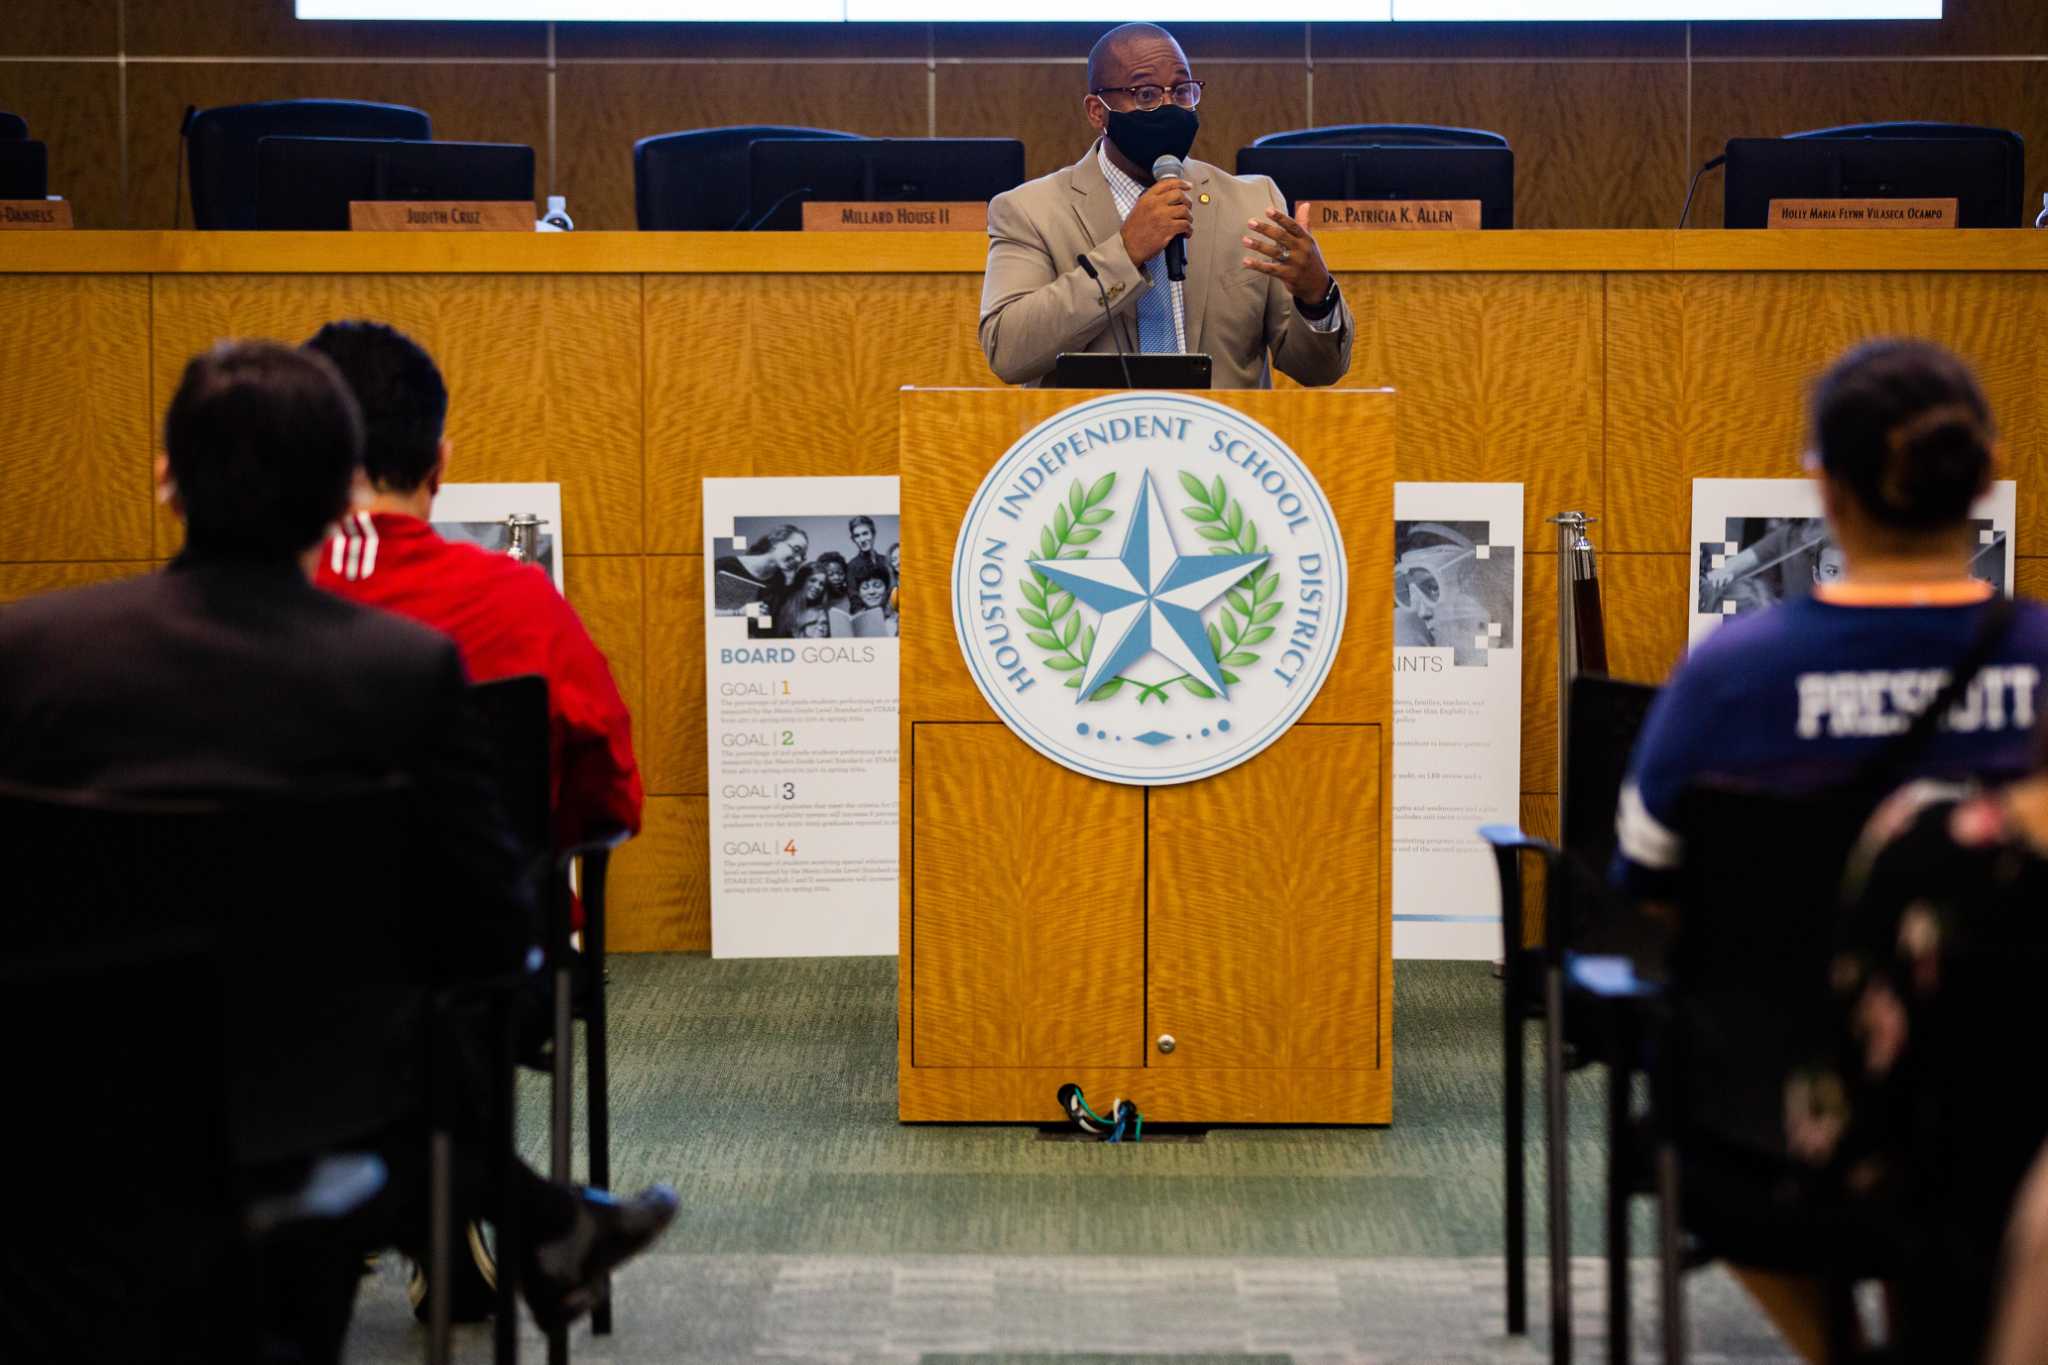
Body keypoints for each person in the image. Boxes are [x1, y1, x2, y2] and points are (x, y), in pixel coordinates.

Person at [0, 342, 677, 1361]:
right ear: (337, 490)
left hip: (66, 1081)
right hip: (326, 1081)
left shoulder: (28, 653)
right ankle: (522, 1218)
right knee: (421, 1011)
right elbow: (490, 930)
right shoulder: (401, 670)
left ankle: (532, 1219)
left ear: (165, 477)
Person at [1614, 338, 2048, 1359]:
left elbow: (1649, 886)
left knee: (1703, 1139)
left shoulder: (1731, 673)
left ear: (1824, 488)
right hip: (2017, 1106)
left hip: (1768, 1113)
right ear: (1982, 475)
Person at [308, 320, 643, 853]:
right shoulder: (525, 606)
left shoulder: (236, 614)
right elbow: (612, 800)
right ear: (439, 464)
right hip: (495, 903)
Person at [979, 22, 1353, 390]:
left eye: (1182, 91)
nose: (1169, 106)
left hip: (1220, 429)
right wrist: (1124, 254)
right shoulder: (1029, 211)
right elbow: (1008, 351)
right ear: (1097, 111)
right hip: (1095, 430)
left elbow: (1318, 370)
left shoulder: (1253, 203)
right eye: (1145, 95)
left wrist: (1316, 298)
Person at [715, 524, 807, 619]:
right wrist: (738, 613)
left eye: (802, 556)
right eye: (796, 549)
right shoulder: (724, 565)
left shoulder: (780, 580)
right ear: (775, 542)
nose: (798, 559)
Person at [773, 562, 833, 639]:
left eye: (821, 584)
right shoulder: (782, 604)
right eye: (812, 580)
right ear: (803, 580)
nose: (817, 586)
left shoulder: (823, 612)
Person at [849, 565, 898, 637]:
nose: (871, 592)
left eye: (877, 586)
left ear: (887, 589)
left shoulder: (898, 619)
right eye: (865, 587)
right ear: (859, 593)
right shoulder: (856, 619)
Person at [846, 514, 890, 593]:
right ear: (853, 539)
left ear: (873, 534)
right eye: (857, 536)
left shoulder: (886, 561)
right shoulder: (851, 567)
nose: (862, 539)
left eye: (865, 533)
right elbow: (853, 596)